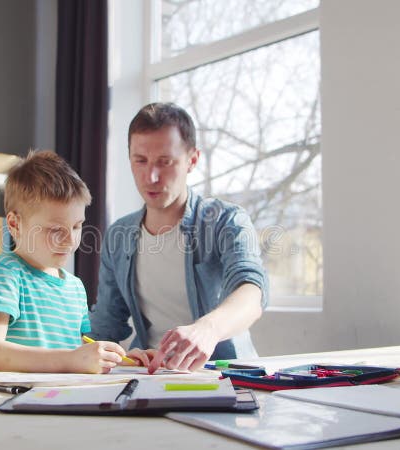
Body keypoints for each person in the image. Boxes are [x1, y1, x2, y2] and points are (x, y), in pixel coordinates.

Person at [89, 102, 268, 373]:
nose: (151, 176)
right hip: (149, 375)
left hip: (222, 375)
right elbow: (105, 326)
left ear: (192, 160)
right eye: (140, 161)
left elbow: (252, 291)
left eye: (165, 162)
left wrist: (208, 329)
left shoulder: (226, 220)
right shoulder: (119, 235)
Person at [0, 150, 129, 373]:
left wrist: (124, 359)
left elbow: (79, 351)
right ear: (15, 225)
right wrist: (71, 360)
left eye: (76, 226)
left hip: (60, 396)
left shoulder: (75, 287)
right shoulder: (6, 273)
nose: (70, 240)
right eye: (56, 229)